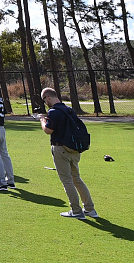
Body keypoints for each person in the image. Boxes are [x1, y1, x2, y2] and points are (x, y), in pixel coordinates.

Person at [38, 87, 98, 218]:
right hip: (75, 149)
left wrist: (42, 120)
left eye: (44, 100)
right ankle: (90, 209)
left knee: (67, 181)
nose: (44, 103)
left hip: (61, 149)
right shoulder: (68, 109)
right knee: (77, 179)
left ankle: (76, 211)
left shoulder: (53, 112)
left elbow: (48, 130)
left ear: (48, 97)